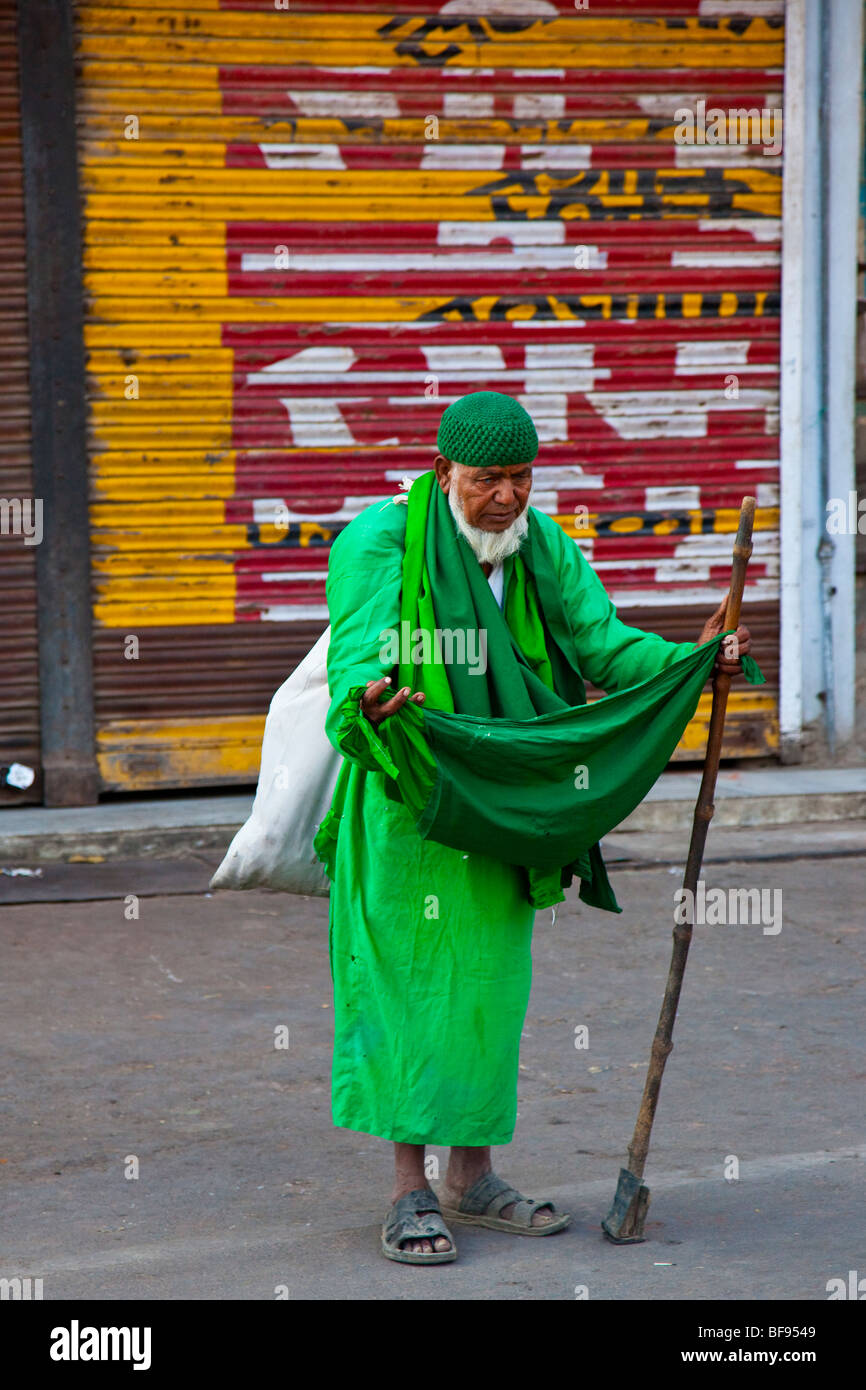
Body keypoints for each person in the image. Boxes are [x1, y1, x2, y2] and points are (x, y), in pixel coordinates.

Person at [321, 391, 751, 1264]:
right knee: (408, 992)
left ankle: (469, 1179)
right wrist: (368, 701)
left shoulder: (542, 546)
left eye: (522, 479)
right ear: (443, 473)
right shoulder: (379, 540)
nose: (508, 499)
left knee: (484, 995)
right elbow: (353, 659)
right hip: (408, 803)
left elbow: (603, 648)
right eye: (488, 481)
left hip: (501, 806)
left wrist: (693, 657)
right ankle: (409, 1189)